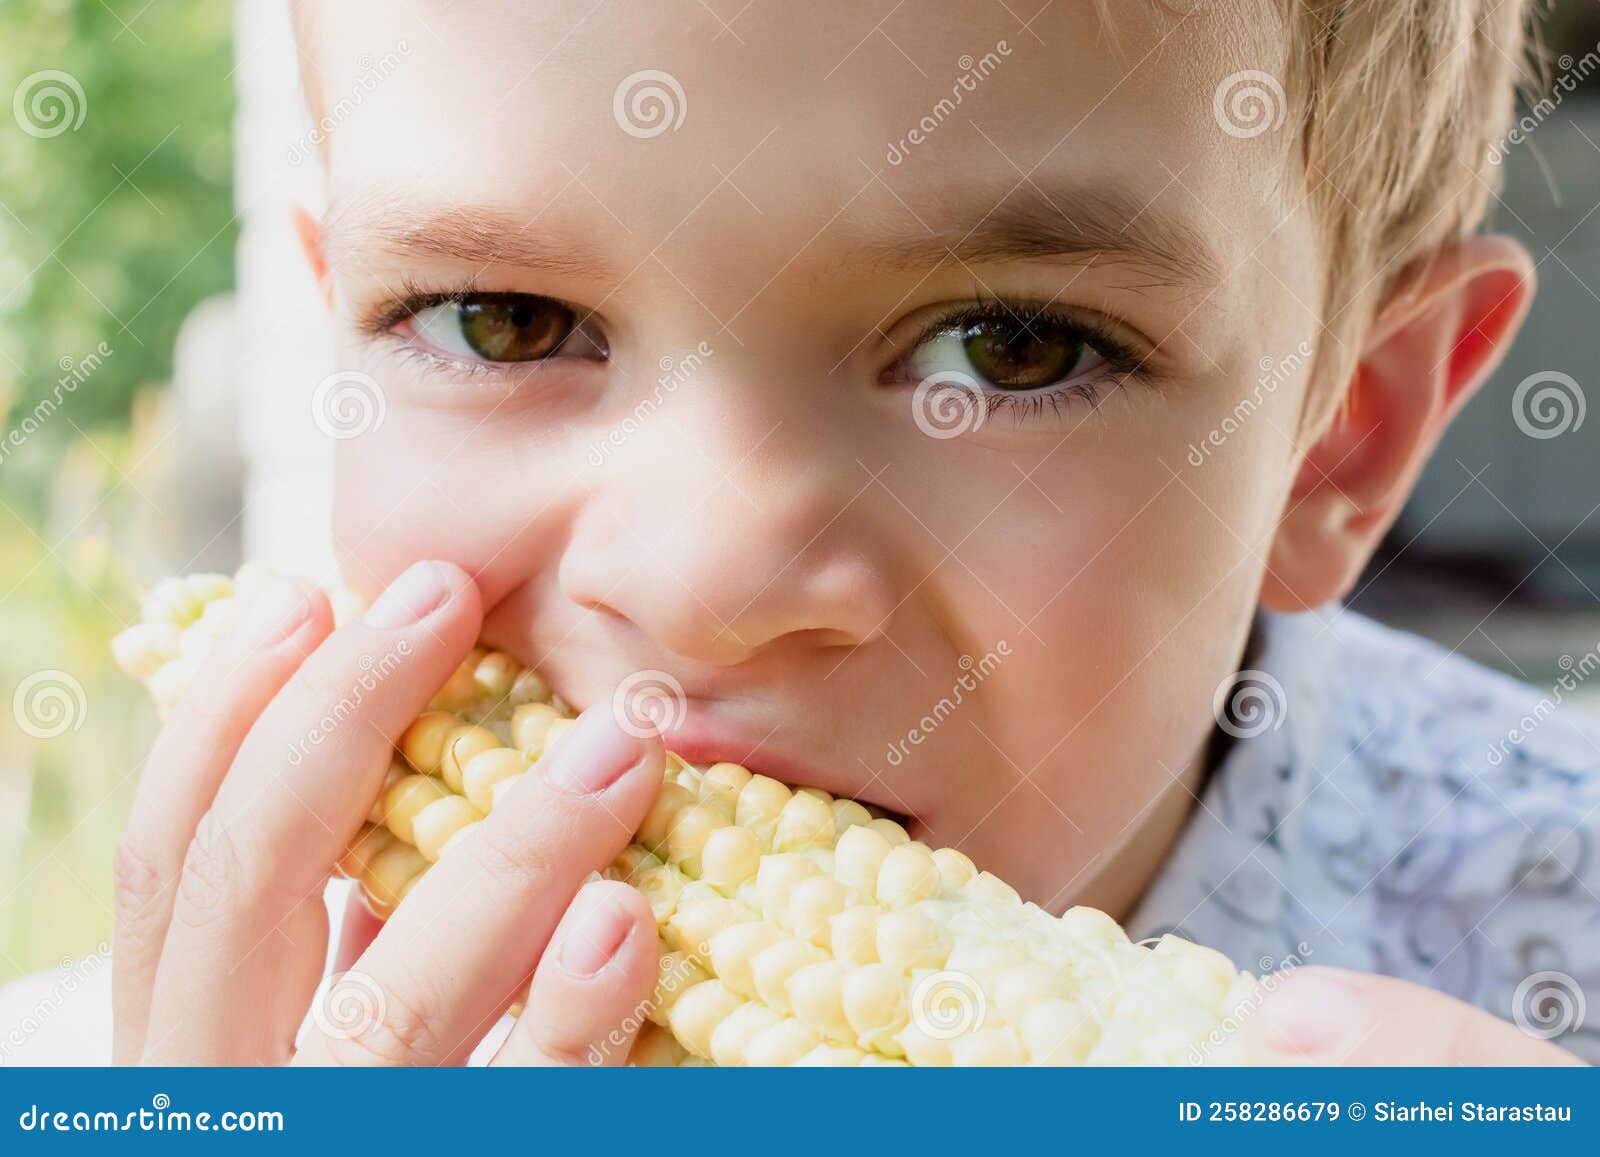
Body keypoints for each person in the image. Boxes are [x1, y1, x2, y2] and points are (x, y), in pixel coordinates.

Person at [109, 0, 1594, 1065]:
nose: (710, 583)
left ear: (1340, 436)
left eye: (1009, 348)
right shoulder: (221, 1049)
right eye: (504, 321)